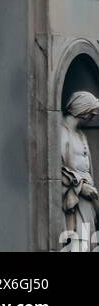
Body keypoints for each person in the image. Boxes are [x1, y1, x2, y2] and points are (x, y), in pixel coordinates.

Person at [61, 90, 99, 251]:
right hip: (75, 196)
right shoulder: (61, 133)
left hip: (88, 197)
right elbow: (56, 170)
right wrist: (80, 187)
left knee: (88, 241)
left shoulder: (81, 135)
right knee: (78, 242)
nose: (93, 117)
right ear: (82, 111)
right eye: (91, 113)